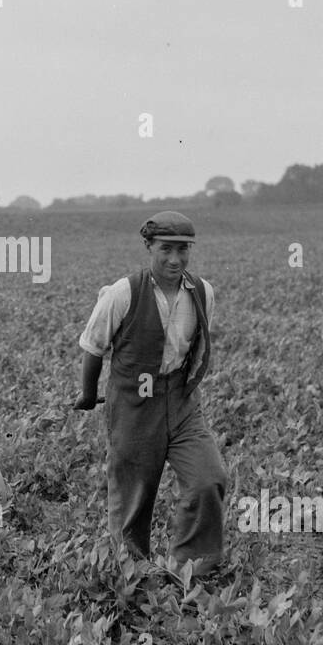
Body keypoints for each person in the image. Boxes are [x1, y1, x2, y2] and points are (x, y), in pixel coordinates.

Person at [74, 210, 229, 578]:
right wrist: (87, 393)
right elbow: (93, 348)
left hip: (181, 401)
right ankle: (133, 573)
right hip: (133, 403)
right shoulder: (122, 293)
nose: (175, 259)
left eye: (182, 250)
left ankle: (191, 570)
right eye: (166, 249)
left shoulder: (203, 293)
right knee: (133, 495)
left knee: (209, 478)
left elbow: (195, 348)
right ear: (149, 247)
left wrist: (183, 390)